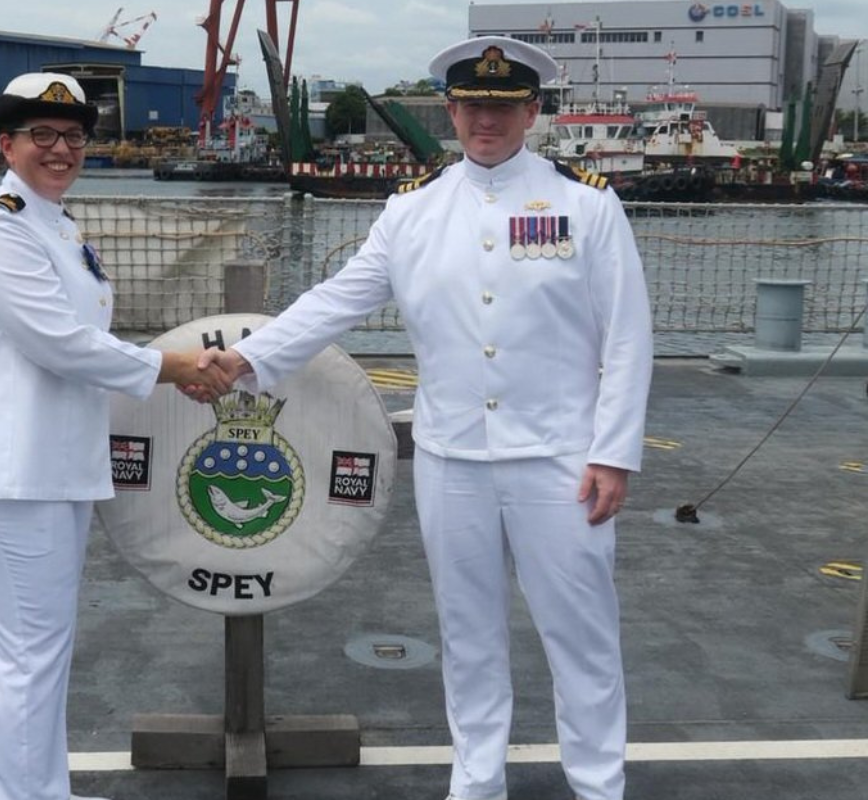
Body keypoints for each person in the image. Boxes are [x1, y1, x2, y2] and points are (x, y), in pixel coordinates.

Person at [197, 37, 653, 800]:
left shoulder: (586, 203)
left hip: (562, 463)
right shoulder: (410, 211)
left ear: (532, 112)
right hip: (453, 463)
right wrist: (247, 358)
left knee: (582, 640)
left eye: (504, 107)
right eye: (473, 106)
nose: (487, 120)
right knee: (468, 640)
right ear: (450, 110)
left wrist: (615, 454)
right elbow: (335, 301)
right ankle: (477, 783)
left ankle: (599, 786)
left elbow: (630, 337)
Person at [0, 72, 232, 800]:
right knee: (29, 654)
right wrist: (175, 365)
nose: (61, 149)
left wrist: (163, 370)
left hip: (49, 466)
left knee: (41, 650)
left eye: (73, 137)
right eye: (42, 135)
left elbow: (80, 342)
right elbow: (59, 343)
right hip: (8, 470)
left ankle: (42, 791)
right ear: (6, 144)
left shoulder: (54, 222)